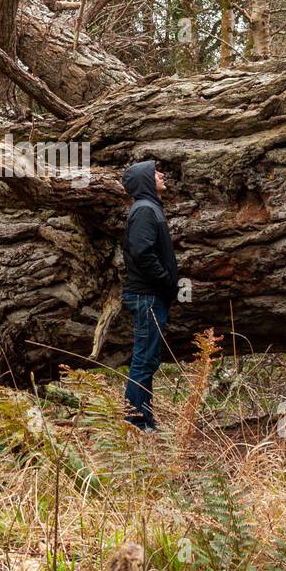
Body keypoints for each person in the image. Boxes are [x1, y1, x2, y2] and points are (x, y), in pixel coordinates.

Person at [120, 160, 179, 430]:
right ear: (145, 179)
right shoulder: (144, 210)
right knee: (144, 360)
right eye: (155, 172)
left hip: (149, 296)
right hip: (147, 296)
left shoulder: (148, 208)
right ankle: (134, 422)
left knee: (149, 359)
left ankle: (145, 420)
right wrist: (166, 280)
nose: (161, 174)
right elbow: (142, 252)